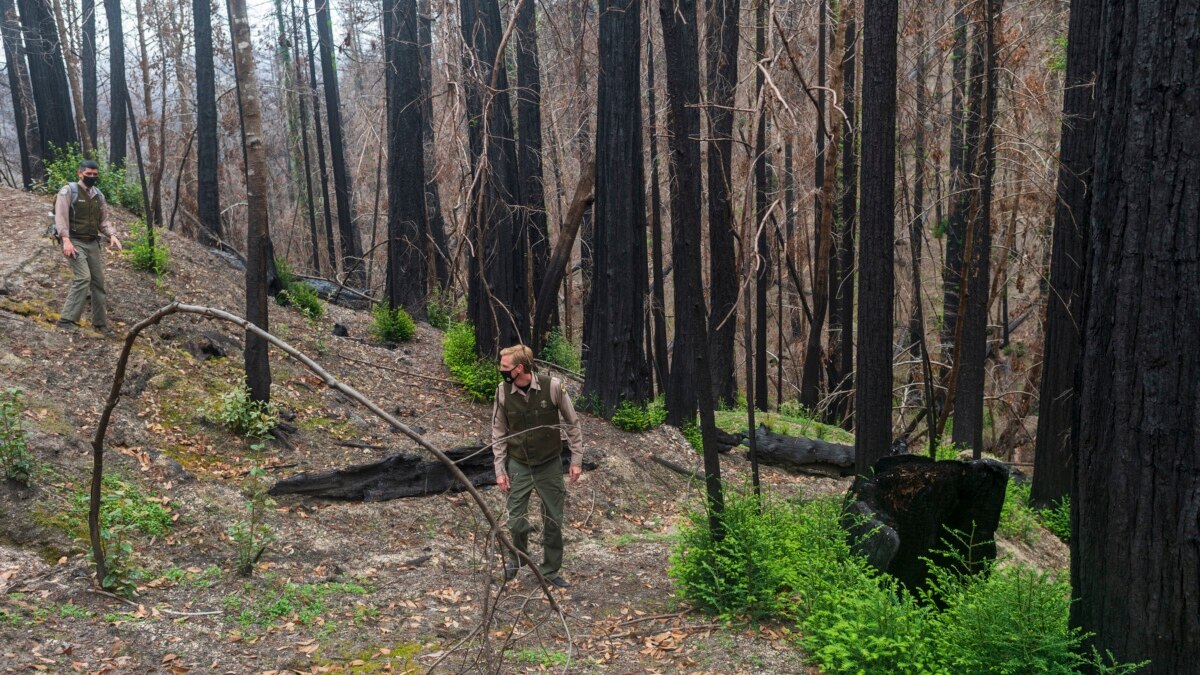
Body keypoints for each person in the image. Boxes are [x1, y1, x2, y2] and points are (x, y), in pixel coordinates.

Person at [491, 344, 583, 588]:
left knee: (553, 519)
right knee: (516, 521)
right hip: (519, 464)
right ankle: (519, 559)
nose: (501, 370)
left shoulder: (552, 387)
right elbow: (498, 433)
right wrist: (500, 470)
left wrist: (576, 460)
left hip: (549, 464)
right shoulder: (502, 392)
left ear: (519, 368)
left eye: (505, 367)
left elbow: (572, 424)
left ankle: (550, 570)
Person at [55, 160, 122, 336]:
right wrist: (66, 240)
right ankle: (67, 319)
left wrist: (112, 235)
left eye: (95, 174)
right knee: (83, 277)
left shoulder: (98, 195)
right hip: (74, 241)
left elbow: (103, 221)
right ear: (80, 173)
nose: (92, 177)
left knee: (98, 283)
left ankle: (100, 324)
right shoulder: (68, 191)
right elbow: (60, 217)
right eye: (88, 174)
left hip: (92, 243)